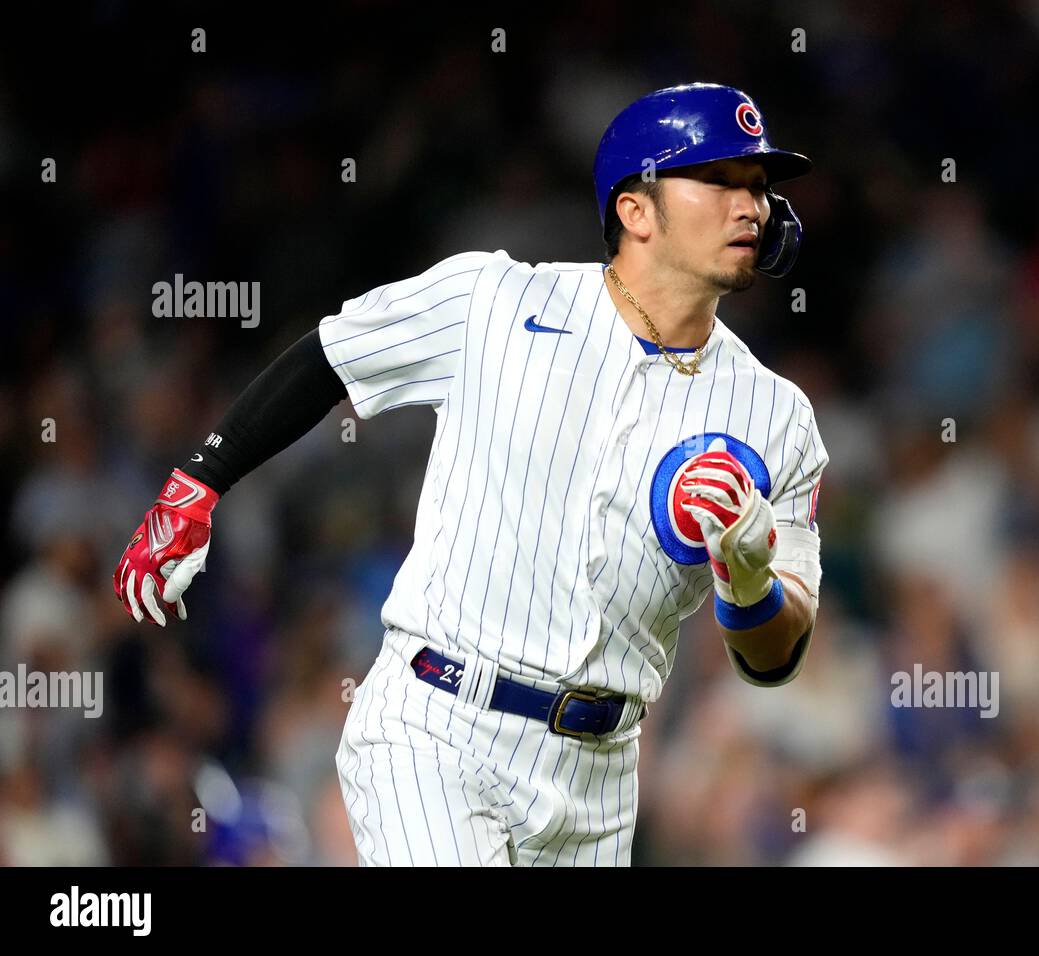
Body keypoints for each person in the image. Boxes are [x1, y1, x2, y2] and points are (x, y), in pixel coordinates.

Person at [112, 82, 829, 866]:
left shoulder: (777, 416)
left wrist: (749, 579)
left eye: (759, 186)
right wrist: (201, 480)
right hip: (440, 729)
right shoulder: (496, 301)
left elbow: (773, 660)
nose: (751, 205)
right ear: (636, 210)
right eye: (721, 179)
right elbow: (331, 355)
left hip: (601, 775)